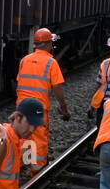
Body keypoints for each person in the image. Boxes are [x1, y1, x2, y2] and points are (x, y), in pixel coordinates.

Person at [15, 28, 71, 170]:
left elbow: (20, 82)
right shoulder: (51, 63)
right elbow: (57, 88)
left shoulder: (24, 61)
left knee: (23, 137)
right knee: (38, 139)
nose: (52, 45)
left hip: (22, 106)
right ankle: (36, 172)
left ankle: (22, 164)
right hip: (38, 108)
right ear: (47, 44)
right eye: (51, 43)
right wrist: (63, 107)